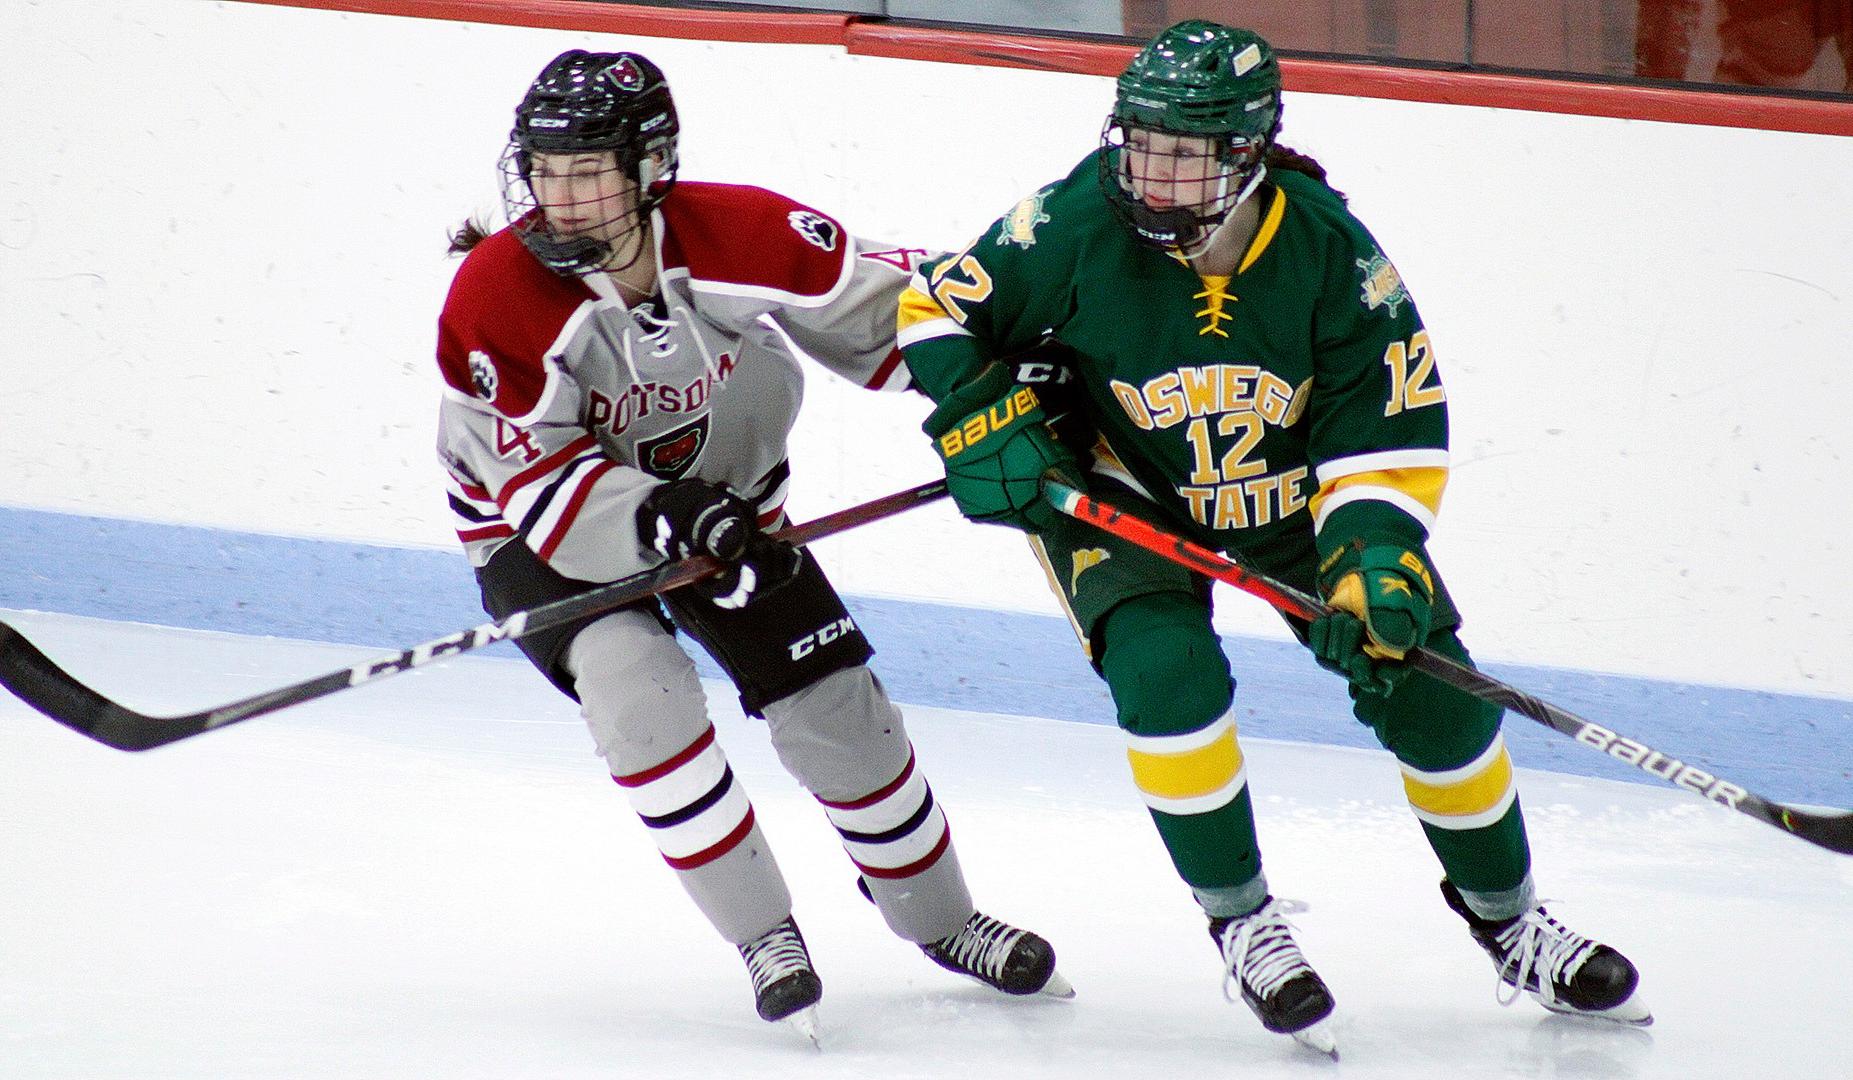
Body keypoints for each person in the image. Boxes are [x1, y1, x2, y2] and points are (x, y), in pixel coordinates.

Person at [895, 21, 1648, 1054]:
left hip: (1297, 505)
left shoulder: (1333, 252)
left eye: (1184, 154)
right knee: (1166, 679)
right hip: (1126, 491)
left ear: (1247, 152)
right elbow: (935, 305)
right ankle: (1243, 923)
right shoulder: (1072, 219)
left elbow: (1382, 420)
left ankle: (1512, 924)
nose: (1153, 176)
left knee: (1431, 692)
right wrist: (985, 408)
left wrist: (1372, 553)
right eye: (1141, 146)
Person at [435, 48, 1069, 1038]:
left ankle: (942, 921)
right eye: (545, 172)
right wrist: (664, 518)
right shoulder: (495, 297)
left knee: (836, 708)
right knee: (639, 696)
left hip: (724, 501)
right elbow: (540, 487)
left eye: (587, 173)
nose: (560, 199)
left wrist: (995, 383)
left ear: (651, 168)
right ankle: (763, 932)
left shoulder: (738, 232)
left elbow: (896, 309)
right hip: (541, 531)